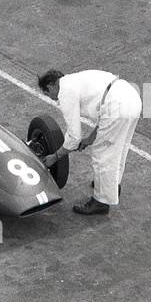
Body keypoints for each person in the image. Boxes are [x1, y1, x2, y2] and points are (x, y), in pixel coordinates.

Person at [37, 68, 143, 215]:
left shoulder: (65, 92)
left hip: (117, 106)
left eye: (48, 94)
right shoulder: (76, 79)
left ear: (50, 86)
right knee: (120, 147)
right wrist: (90, 139)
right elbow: (104, 108)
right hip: (131, 98)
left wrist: (55, 157)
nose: (51, 98)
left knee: (102, 155)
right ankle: (112, 185)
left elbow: (74, 137)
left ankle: (101, 202)